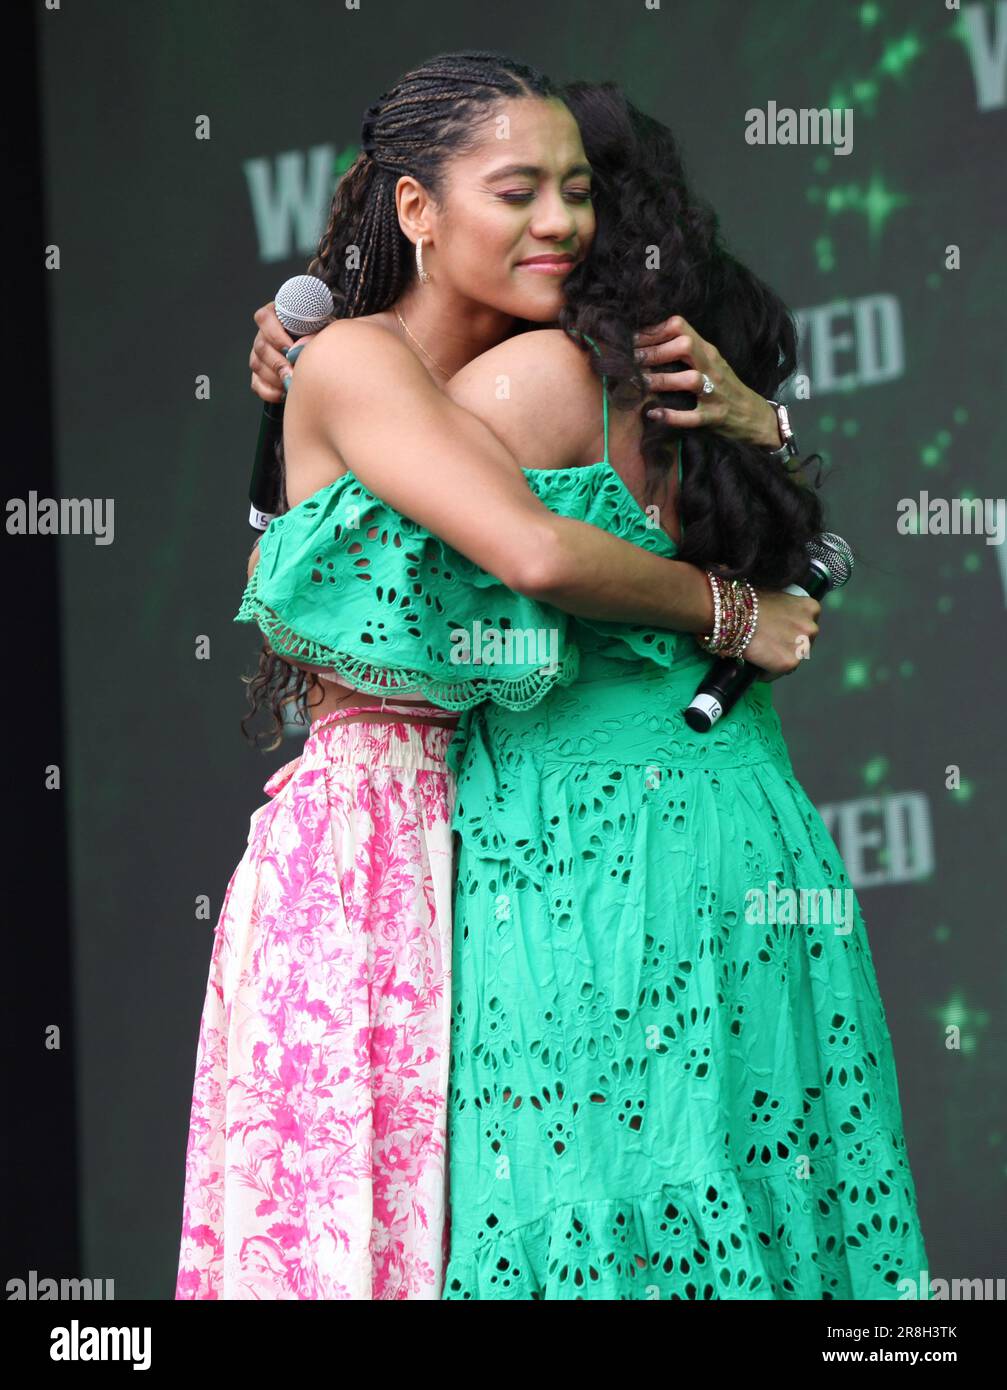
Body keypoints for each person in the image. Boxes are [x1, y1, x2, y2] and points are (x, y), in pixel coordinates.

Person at [240, 71, 930, 1300]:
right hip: (732, 818)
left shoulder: (499, 388)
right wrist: (761, 432)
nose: (557, 222)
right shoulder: (645, 384)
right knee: (769, 1201)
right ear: (417, 207)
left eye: (573, 193)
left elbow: (515, 551)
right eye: (517, 191)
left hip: (568, 848)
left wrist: (303, 387)